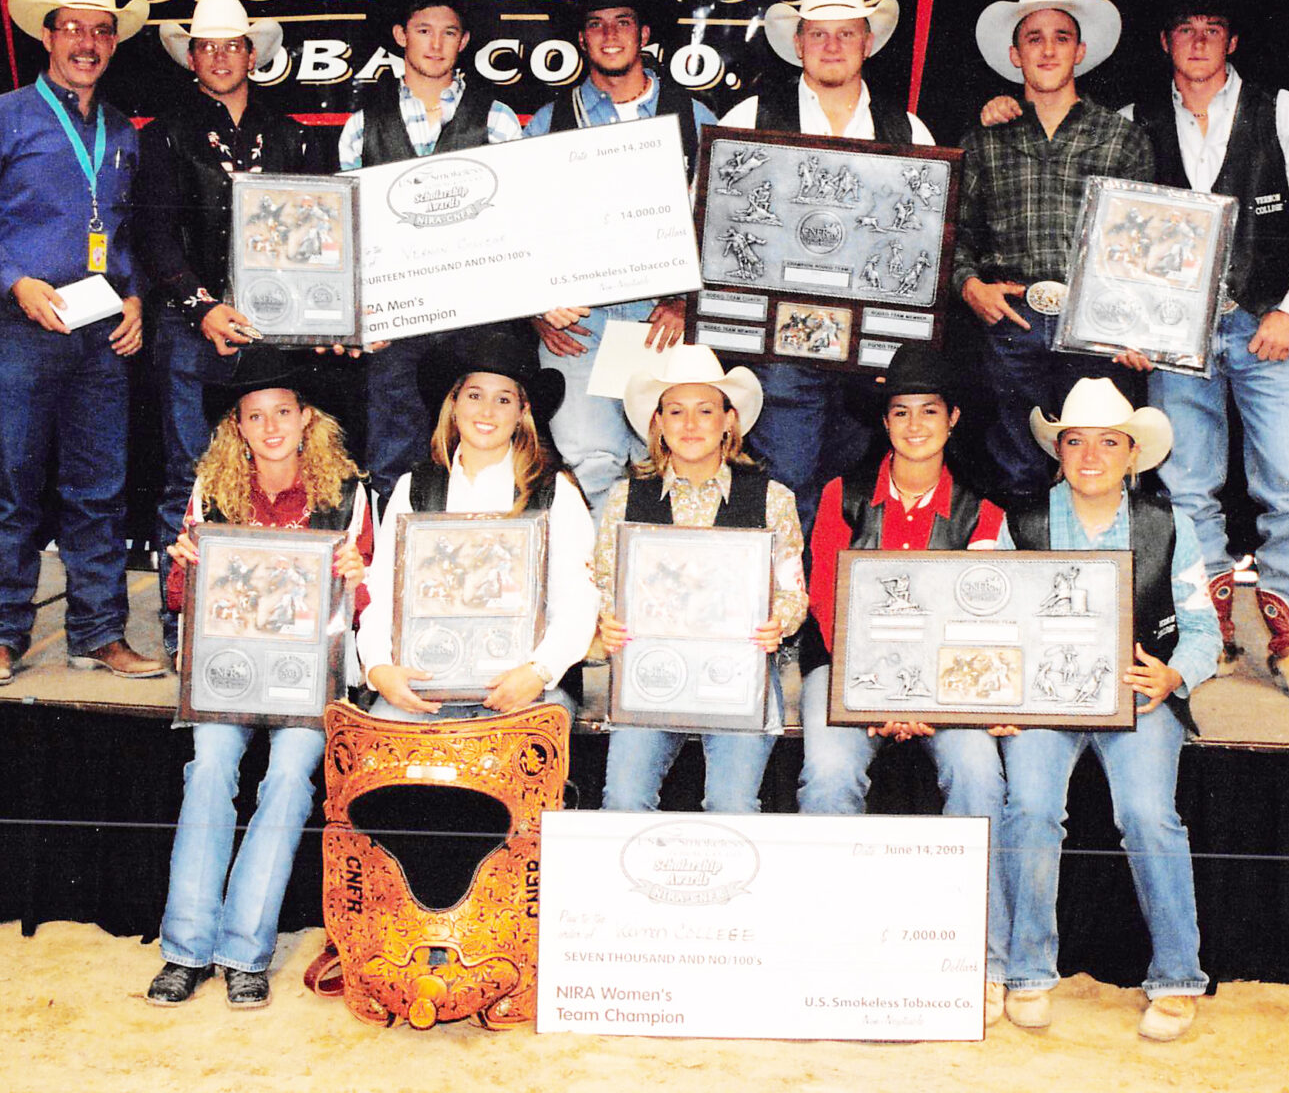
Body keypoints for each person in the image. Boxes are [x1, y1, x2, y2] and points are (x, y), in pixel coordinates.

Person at [976, 0, 1289, 690]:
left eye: (1214, 28)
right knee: (1186, 486)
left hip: (1267, 324)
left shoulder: (1281, 112)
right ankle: (1208, 636)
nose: (1200, 40)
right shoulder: (1135, 123)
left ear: (1232, 42)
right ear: (1165, 42)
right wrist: (1003, 108)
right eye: (1186, 28)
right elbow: (1119, 238)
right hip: (1180, 340)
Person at [0, 0, 162, 686]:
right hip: (20, 331)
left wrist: (133, 298)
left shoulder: (124, 132)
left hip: (100, 337)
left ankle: (98, 633)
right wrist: (15, 281)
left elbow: (122, 236)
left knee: (100, 491)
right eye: (74, 29)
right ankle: (2, 635)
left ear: (114, 43)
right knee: (15, 489)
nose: (87, 43)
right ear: (47, 35)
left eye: (101, 31)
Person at [995, 377, 1221, 1041]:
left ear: (1131, 454)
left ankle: (1178, 976)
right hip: (1043, 697)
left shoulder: (1168, 524)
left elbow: (1204, 627)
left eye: (1108, 443)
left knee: (1149, 814)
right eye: (1075, 441)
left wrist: (1176, 671)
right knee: (1030, 809)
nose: (1091, 456)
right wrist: (998, 690)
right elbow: (988, 619)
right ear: (1058, 451)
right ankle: (1029, 970)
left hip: (1133, 691)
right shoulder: (1021, 521)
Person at [145, 350, 371, 1009]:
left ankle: (245, 949)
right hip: (231, 674)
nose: (270, 427)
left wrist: (360, 580)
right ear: (236, 428)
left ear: (307, 419)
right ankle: (186, 948)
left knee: (291, 773)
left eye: (282, 412)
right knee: (211, 764)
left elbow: (368, 608)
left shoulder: (350, 497)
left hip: (310, 678)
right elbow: (185, 599)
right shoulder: (211, 491)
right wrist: (183, 563)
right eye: (254, 416)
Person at [796, 342, 1010, 1023]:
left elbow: (983, 624)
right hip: (846, 673)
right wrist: (876, 693)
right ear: (885, 424)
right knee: (828, 773)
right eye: (900, 412)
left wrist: (927, 696)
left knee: (979, 774)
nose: (914, 425)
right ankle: (830, 947)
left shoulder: (984, 513)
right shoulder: (843, 495)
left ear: (952, 420)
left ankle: (984, 959)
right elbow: (827, 602)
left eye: (928, 411)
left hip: (948, 684)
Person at [134, 0, 330, 657]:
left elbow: (314, 233)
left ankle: (268, 619)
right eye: (208, 46)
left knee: (278, 474)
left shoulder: (291, 133)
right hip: (191, 328)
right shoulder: (161, 132)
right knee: (190, 477)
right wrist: (201, 304)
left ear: (253, 53)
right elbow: (153, 234)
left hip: (270, 333)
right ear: (192, 56)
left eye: (232, 45)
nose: (220, 57)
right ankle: (183, 627)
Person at [718, 0, 936, 535]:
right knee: (788, 481)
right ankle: (786, 618)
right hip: (780, 345)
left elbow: (925, 249)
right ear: (798, 44)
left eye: (846, 33)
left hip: (872, 354)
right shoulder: (748, 120)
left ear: (868, 40)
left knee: (856, 494)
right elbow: (716, 232)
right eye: (819, 34)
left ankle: (832, 612)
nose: (832, 46)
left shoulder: (909, 131)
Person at [525, 0, 719, 522]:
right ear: (582, 38)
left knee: (671, 459)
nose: (610, 35)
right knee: (592, 459)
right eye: (596, 24)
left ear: (644, 34)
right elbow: (521, 228)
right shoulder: (550, 121)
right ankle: (613, 589)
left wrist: (688, 303)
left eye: (624, 22)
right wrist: (537, 306)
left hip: (663, 318)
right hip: (581, 324)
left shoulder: (693, 117)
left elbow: (724, 225)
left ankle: (664, 584)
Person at [953, 0, 1154, 509]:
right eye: (1034, 38)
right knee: (1015, 462)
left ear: (1080, 52)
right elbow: (956, 234)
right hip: (1012, 320)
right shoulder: (983, 139)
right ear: (1015, 54)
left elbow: (1145, 247)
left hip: (1094, 324)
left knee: (1097, 463)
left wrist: (1138, 324)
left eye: (1061, 37)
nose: (1048, 49)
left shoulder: (1122, 137)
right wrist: (970, 285)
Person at [337, 0, 524, 510]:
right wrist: (358, 313)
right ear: (401, 36)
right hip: (397, 319)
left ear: (464, 41)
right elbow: (350, 233)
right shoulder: (361, 125)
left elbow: (516, 222)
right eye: (423, 30)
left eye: (448, 32)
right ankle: (392, 578)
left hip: (478, 314)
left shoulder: (498, 118)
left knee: (481, 446)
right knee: (394, 451)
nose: (435, 44)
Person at [594, 346, 807, 813]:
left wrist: (778, 623)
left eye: (705, 410)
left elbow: (793, 594)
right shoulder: (625, 498)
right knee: (624, 800)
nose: (690, 425)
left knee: (733, 805)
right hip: (648, 674)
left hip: (739, 675)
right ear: (659, 424)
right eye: (676, 411)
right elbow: (606, 583)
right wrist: (606, 621)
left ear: (729, 421)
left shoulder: (772, 498)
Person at [357, 328, 599, 720]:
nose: (487, 412)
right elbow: (381, 593)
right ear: (453, 404)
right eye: (474, 396)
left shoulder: (554, 493)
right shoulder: (414, 489)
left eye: (503, 399)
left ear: (523, 413)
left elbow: (578, 603)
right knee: (387, 750)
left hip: (526, 691)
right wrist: (380, 668)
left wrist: (538, 672)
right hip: (425, 686)